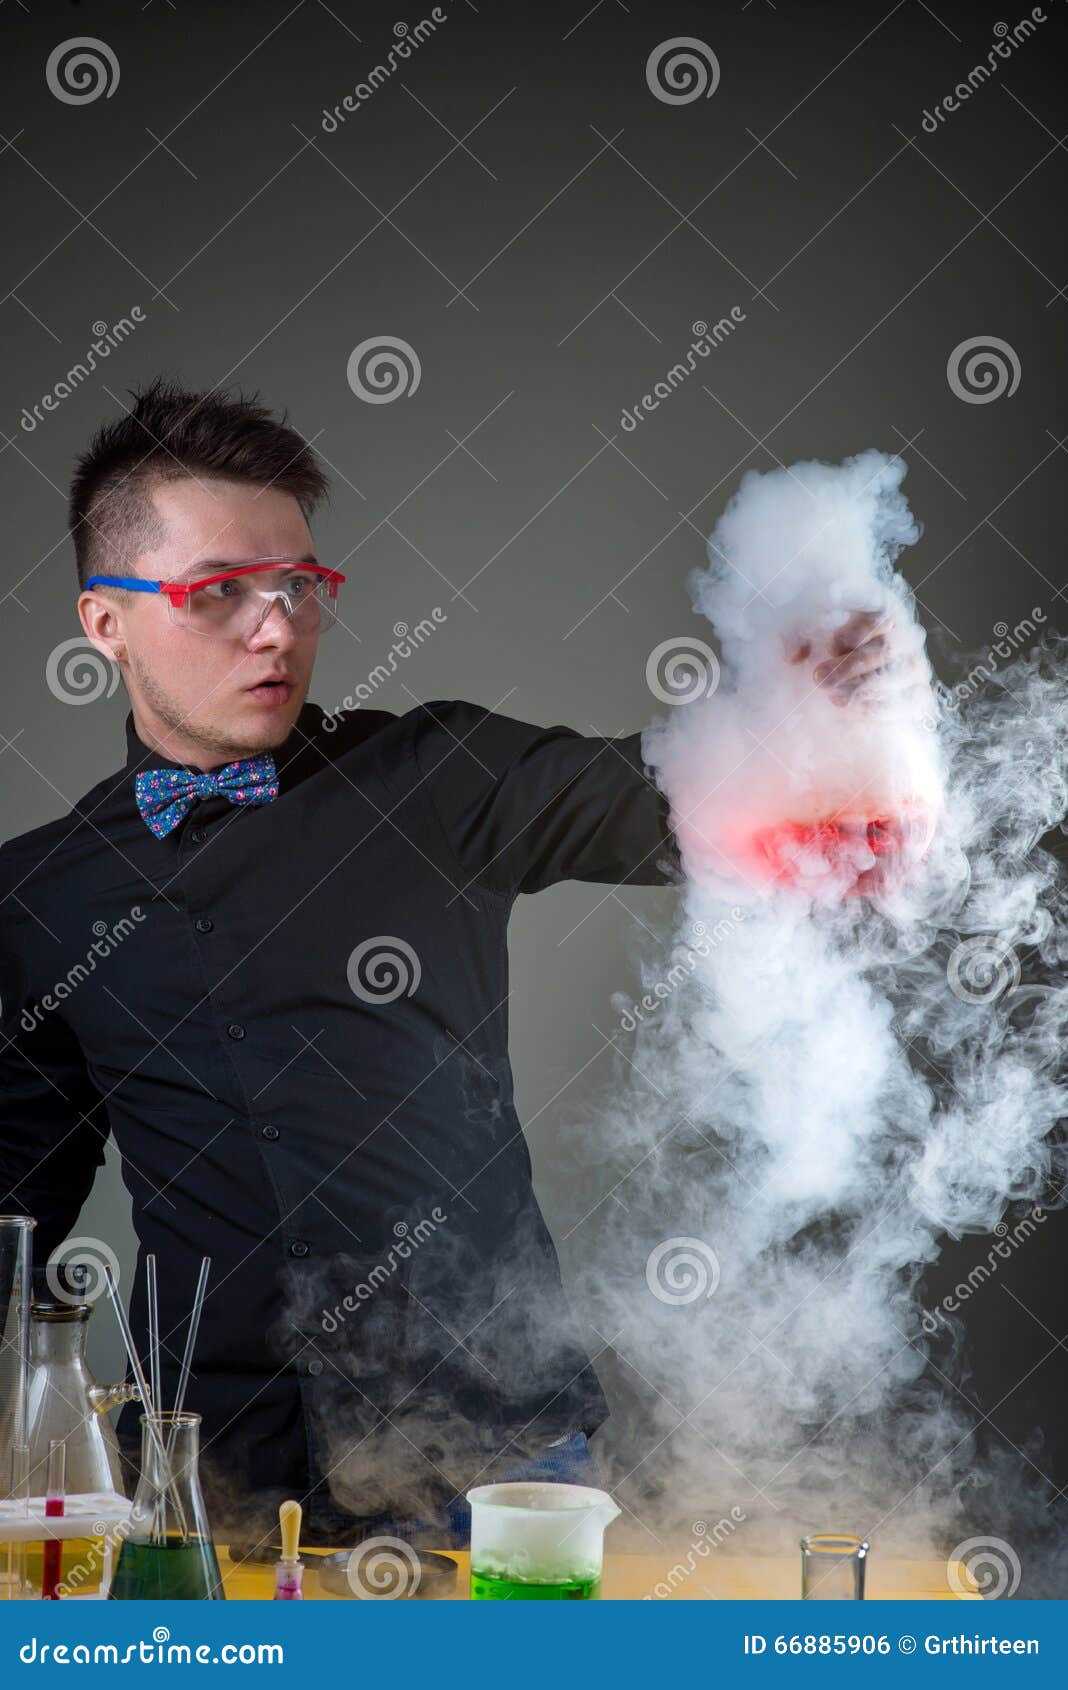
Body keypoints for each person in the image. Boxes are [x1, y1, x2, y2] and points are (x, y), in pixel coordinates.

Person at [0, 378, 901, 1548]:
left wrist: (805, 716)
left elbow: (672, 794)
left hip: (499, 1478)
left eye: (300, 587)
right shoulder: (40, 896)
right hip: (201, 1490)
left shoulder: (436, 779)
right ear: (104, 621)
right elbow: (18, 1217)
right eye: (219, 593)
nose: (276, 627)